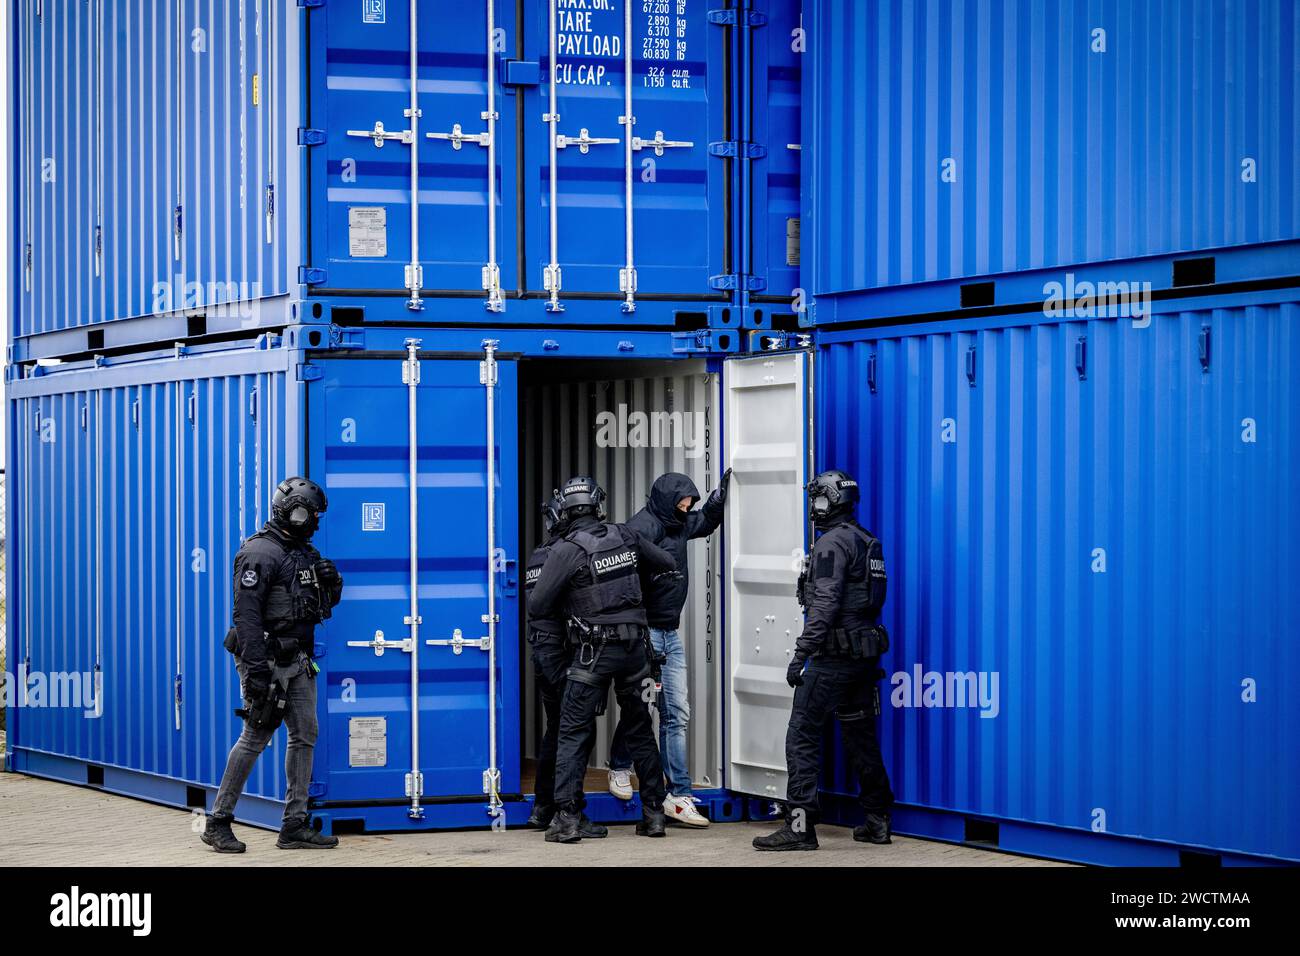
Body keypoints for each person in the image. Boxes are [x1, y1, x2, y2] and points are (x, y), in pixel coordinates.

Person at [528, 476, 677, 843]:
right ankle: (655, 814)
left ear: (564, 510)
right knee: (641, 730)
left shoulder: (566, 549)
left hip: (593, 654)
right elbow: (666, 563)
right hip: (636, 655)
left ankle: (566, 819)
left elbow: (538, 604)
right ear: (598, 505)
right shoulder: (625, 535)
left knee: (572, 732)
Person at [753, 469, 894, 851]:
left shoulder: (832, 544)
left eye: (817, 500)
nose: (813, 508)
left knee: (801, 734)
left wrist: (800, 654)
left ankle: (799, 827)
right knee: (860, 737)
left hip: (832, 659)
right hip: (862, 659)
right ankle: (877, 821)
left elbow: (826, 605)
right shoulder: (867, 541)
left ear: (832, 502)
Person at [201, 477, 344, 853]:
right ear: (284, 510)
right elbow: (245, 617)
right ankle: (218, 822)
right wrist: (257, 674)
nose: (307, 520)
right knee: (255, 737)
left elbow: (320, 605)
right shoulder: (260, 553)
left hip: (298, 658)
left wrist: (333, 583)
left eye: (312, 514)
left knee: (305, 735)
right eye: (301, 511)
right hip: (265, 657)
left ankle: (294, 824)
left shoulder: (304, 553)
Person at [606, 469, 731, 827]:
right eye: (682, 502)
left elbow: (704, 522)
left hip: (670, 635)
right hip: (645, 636)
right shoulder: (639, 529)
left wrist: (718, 499)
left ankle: (677, 794)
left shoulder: (679, 521)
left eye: (690, 501)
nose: (687, 507)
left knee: (677, 712)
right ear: (664, 500)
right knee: (642, 709)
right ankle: (619, 766)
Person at [524, 492, 607, 839]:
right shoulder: (565, 553)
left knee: (557, 730)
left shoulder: (540, 553)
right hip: (559, 652)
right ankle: (567, 811)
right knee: (576, 731)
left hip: (543, 652)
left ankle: (543, 808)